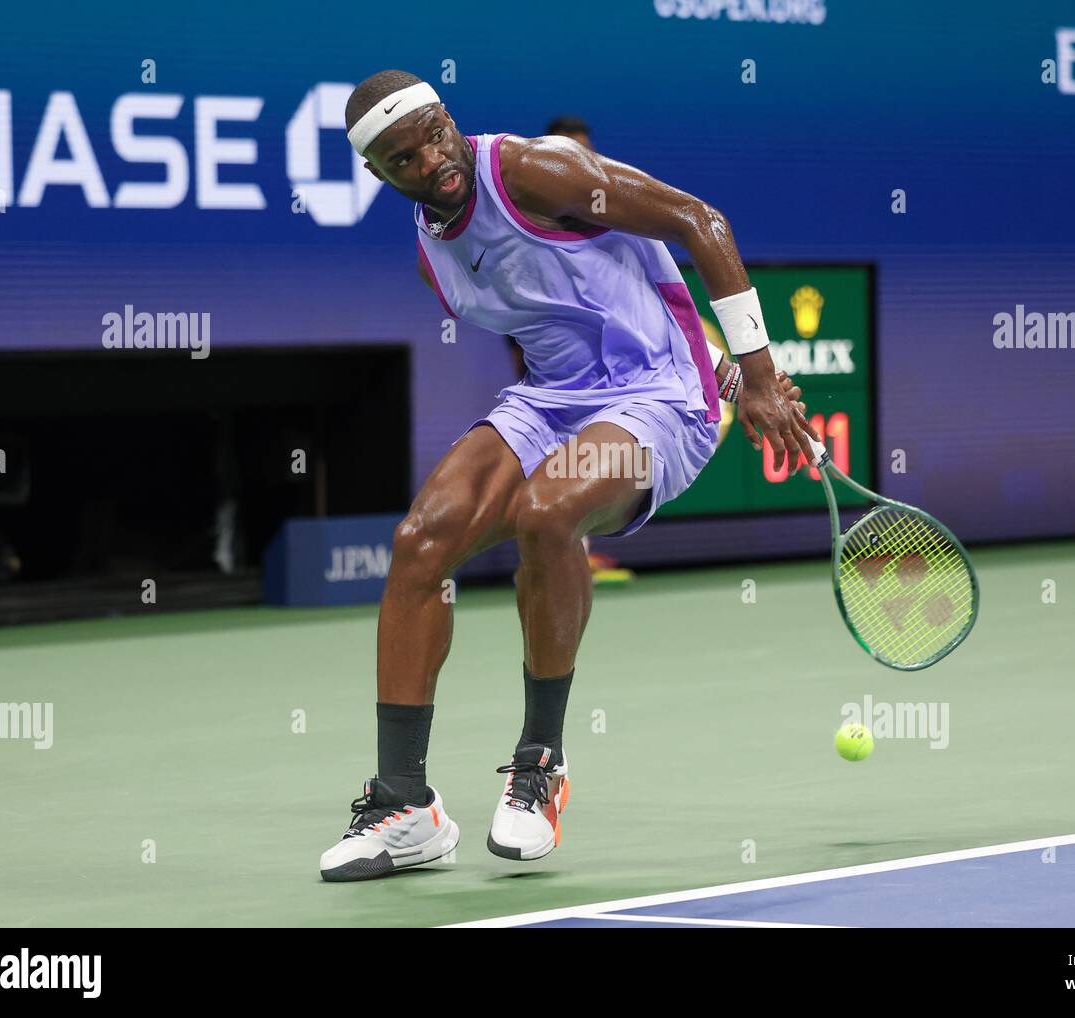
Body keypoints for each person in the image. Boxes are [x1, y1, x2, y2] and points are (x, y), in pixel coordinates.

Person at [319, 70, 818, 881]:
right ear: (379, 174)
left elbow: (699, 221)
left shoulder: (531, 171)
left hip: (657, 403)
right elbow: (574, 311)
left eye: (436, 135)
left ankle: (537, 766)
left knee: (547, 512)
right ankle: (403, 806)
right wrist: (721, 366)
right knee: (420, 540)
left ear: (451, 119)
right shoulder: (431, 253)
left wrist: (752, 375)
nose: (433, 162)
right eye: (405, 159)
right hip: (552, 398)